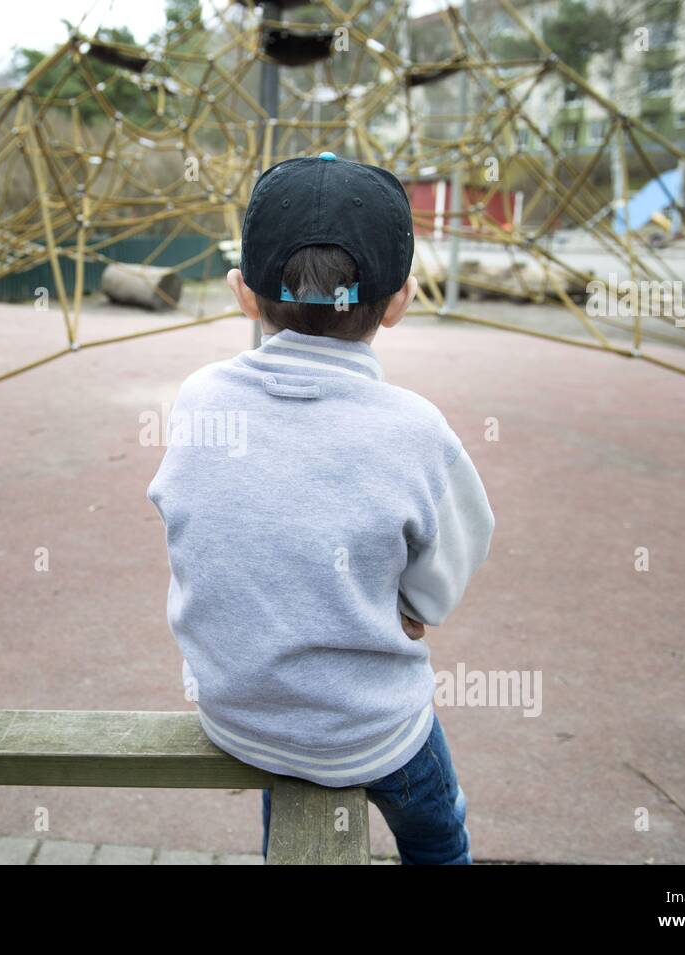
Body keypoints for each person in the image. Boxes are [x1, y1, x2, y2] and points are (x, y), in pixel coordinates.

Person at [146, 153, 495, 864]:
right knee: (436, 822)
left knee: (297, 748)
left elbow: (201, 522)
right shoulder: (418, 429)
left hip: (236, 710)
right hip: (372, 730)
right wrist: (411, 603)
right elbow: (448, 569)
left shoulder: (199, 398)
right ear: (400, 301)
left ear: (243, 293)